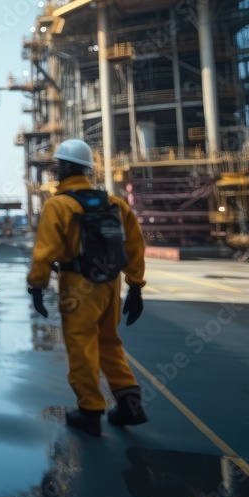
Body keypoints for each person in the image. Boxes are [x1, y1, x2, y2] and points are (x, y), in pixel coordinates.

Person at [26, 138, 148, 436]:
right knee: (109, 342)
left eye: (58, 165)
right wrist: (135, 287)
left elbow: (45, 251)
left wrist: (37, 287)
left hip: (78, 285)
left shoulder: (59, 205)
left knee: (81, 346)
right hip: (110, 284)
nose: (55, 169)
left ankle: (90, 410)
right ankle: (129, 404)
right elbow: (134, 245)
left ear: (66, 168)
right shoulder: (113, 203)